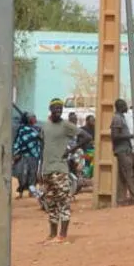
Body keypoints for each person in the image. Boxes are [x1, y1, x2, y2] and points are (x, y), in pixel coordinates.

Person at [40, 98, 91, 243]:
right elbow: (43, 146)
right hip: (47, 170)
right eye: (55, 108)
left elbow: (87, 136)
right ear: (50, 109)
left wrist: (71, 150)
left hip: (60, 169)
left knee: (63, 201)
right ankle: (52, 234)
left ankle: (62, 235)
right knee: (50, 202)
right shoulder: (45, 126)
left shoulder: (66, 126)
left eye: (60, 109)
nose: (58, 111)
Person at [110, 99, 134, 205]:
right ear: (120, 106)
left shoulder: (121, 117)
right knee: (129, 174)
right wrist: (130, 136)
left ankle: (121, 199)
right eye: (125, 105)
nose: (127, 107)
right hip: (122, 150)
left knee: (122, 176)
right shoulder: (117, 118)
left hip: (124, 149)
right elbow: (115, 135)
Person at [12, 112, 42, 199]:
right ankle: (20, 192)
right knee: (23, 173)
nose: (35, 118)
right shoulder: (22, 129)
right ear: (29, 119)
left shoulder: (36, 129)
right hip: (24, 155)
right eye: (33, 117)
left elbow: (39, 138)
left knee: (33, 173)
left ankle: (31, 191)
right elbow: (21, 141)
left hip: (35, 154)